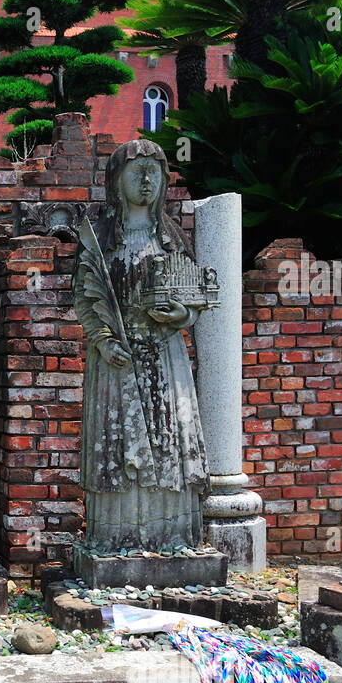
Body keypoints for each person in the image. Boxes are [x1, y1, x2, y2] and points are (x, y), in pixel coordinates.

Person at [73, 138, 212, 554]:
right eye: (138, 172)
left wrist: (183, 317)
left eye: (155, 172)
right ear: (117, 183)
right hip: (116, 360)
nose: (148, 180)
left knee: (170, 441)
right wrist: (101, 341)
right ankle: (116, 537)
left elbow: (194, 299)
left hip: (165, 358)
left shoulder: (171, 237)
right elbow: (84, 296)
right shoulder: (99, 240)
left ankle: (171, 536)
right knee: (117, 443)